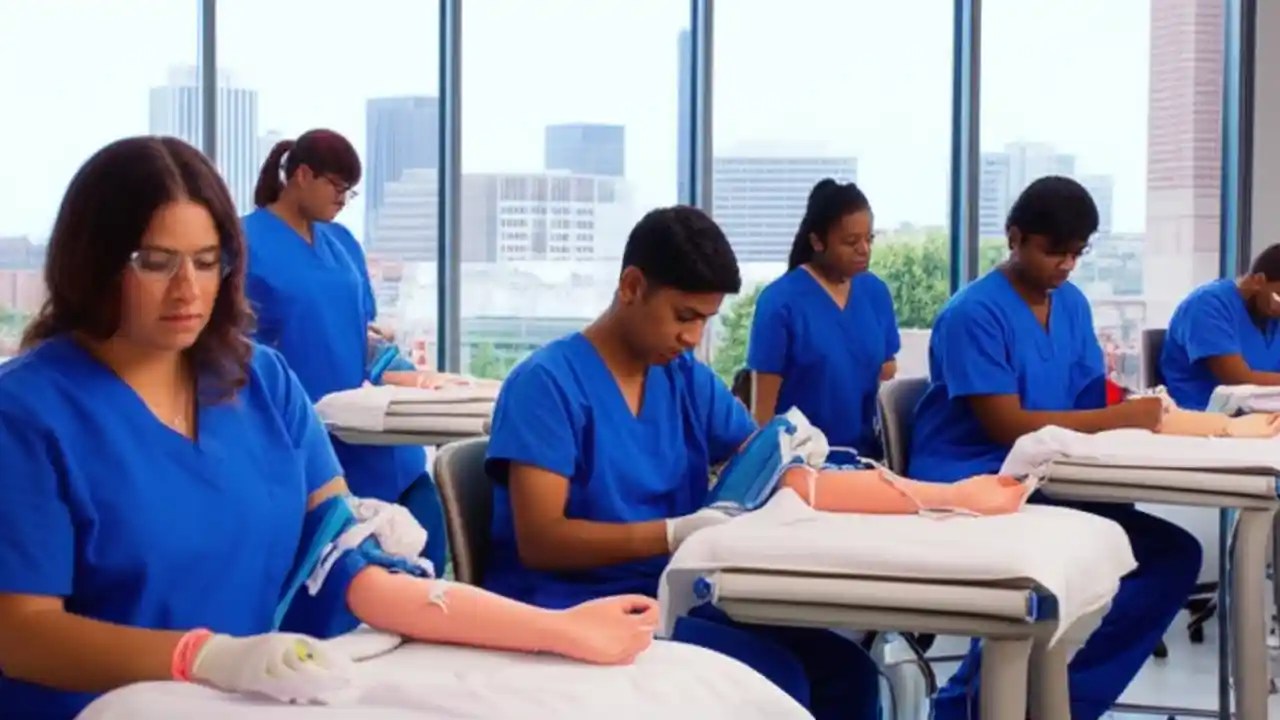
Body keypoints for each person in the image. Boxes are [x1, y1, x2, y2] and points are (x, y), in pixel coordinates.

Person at [0, 137, 666, 720]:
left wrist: (554, 630)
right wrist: (203, 657)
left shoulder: (261, 383)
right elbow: (22, 633)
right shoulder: (30, 414)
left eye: (207, 261)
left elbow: (352, 572)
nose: (188, 290)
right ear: (94, 261)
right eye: (156, 261)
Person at [482, 206, 882, 720]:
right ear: (631, 286)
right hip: (579, 607)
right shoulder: (547, 385)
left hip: (676, 594)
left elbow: (758, 455)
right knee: (776, 678)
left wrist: (810, 467)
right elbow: (541, 541)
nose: (694, 337)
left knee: (847, 672)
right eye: (684, 316)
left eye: (706, 320)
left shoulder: (682, 378)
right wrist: (672, 533)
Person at [906, 176, 1202, 720]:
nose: (1065, 266)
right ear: (1014, 237)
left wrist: (1136, 410)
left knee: (1170, 556)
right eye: (1053, 251)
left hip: (1053, 478)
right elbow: (1004, 425)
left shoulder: (1071, 306)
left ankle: (1061, 702)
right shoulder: (974, 313)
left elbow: (1090, 393)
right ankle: (968, 708)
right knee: (1051, 577)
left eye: (1076, 254)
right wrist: (1114, 417)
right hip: (981, 482)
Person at [242, 129, 447, 571]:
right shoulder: (245, 244)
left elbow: (364, 336)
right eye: (336, 187)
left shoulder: (342, 243)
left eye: (349, 192)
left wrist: (414, 376)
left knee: (426, 543)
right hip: (301, 435)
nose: (343, 200)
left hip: (369, 432)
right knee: (340, 570)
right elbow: (236, 351)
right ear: (302, 176)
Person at [747, 179, 899, 460]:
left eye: (869, 239)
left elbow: (887, 370)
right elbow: (762, 413)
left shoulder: (875, 292)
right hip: (801, 461)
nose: (864, 249)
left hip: (864, 459)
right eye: (851, 242)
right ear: (817, 241)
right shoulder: (780, 302)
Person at [1160, 243, 1280, 410]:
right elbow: (1238, 380)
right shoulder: (1208, 305)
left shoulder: (1272, 316)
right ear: (1259, 281)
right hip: (1204, 417)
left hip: (1263, 416)